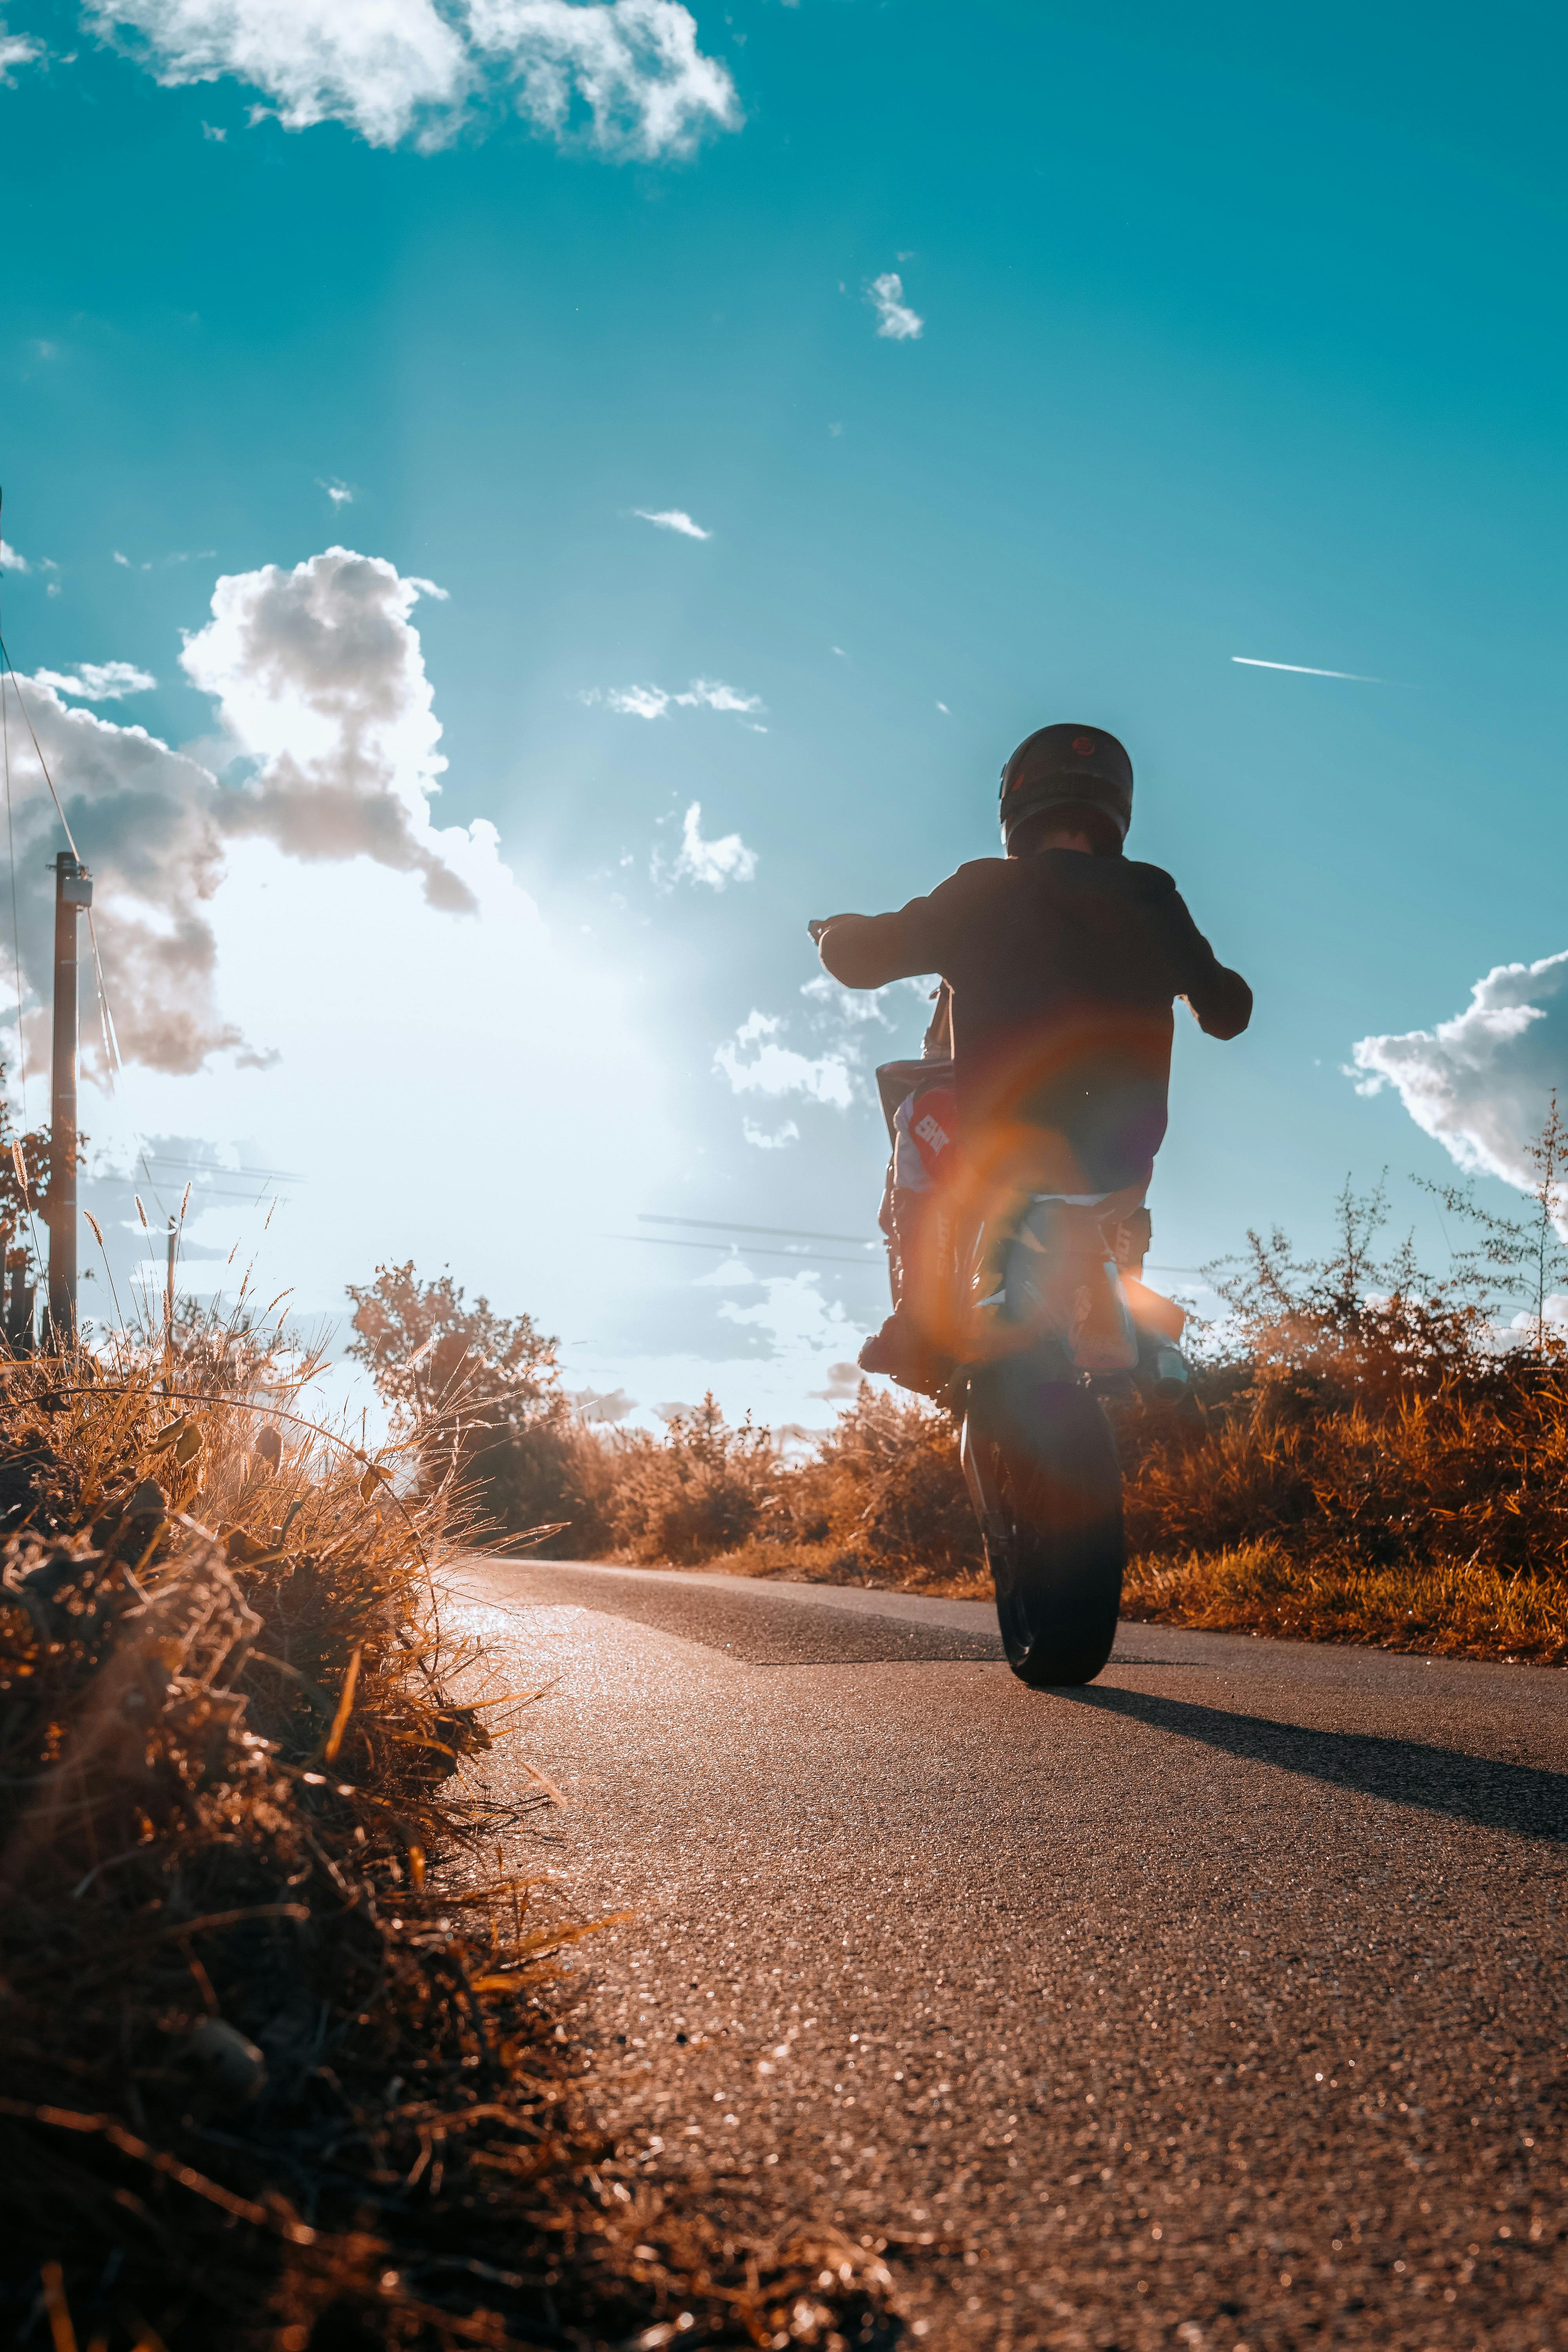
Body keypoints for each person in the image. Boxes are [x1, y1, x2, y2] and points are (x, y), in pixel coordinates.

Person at [809, 724, 1252, 1390]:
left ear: (1017, 804)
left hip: (1007, 1160)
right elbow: (1229, 1014)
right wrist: (1200, 976)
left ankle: (919, 1324)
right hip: (1119, 1172)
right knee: (1118, 1204)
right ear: (1116, 810)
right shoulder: (1155, 898)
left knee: (917, 1119)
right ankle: (1131, 1317)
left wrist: (833, 933)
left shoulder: (982, 891)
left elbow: (859, 960)